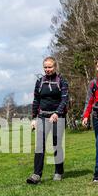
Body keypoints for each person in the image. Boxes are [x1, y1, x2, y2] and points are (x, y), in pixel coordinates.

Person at [26, 56, 69, 184]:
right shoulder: (39, 82)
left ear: (55, 67)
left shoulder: (62, 81)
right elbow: (36, 100)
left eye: (50, 67)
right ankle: (36, 175)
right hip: (42, 117)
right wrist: (33, 118)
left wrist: (57, 113)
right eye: (45, 67)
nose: (47, 69)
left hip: (58, 117)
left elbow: (64, 99)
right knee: (40, 146)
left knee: (56, 144)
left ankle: (58, 171)